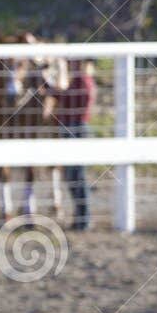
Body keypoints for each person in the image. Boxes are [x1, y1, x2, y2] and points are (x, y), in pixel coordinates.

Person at [54, 57, 96, 230]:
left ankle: (83, 219)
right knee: (74, 176)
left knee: (77, 175)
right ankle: (80, 218)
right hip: (74, 128)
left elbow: (67, 98)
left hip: (75, 129)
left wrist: (52, 90)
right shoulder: (82, 81)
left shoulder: (82, 81)